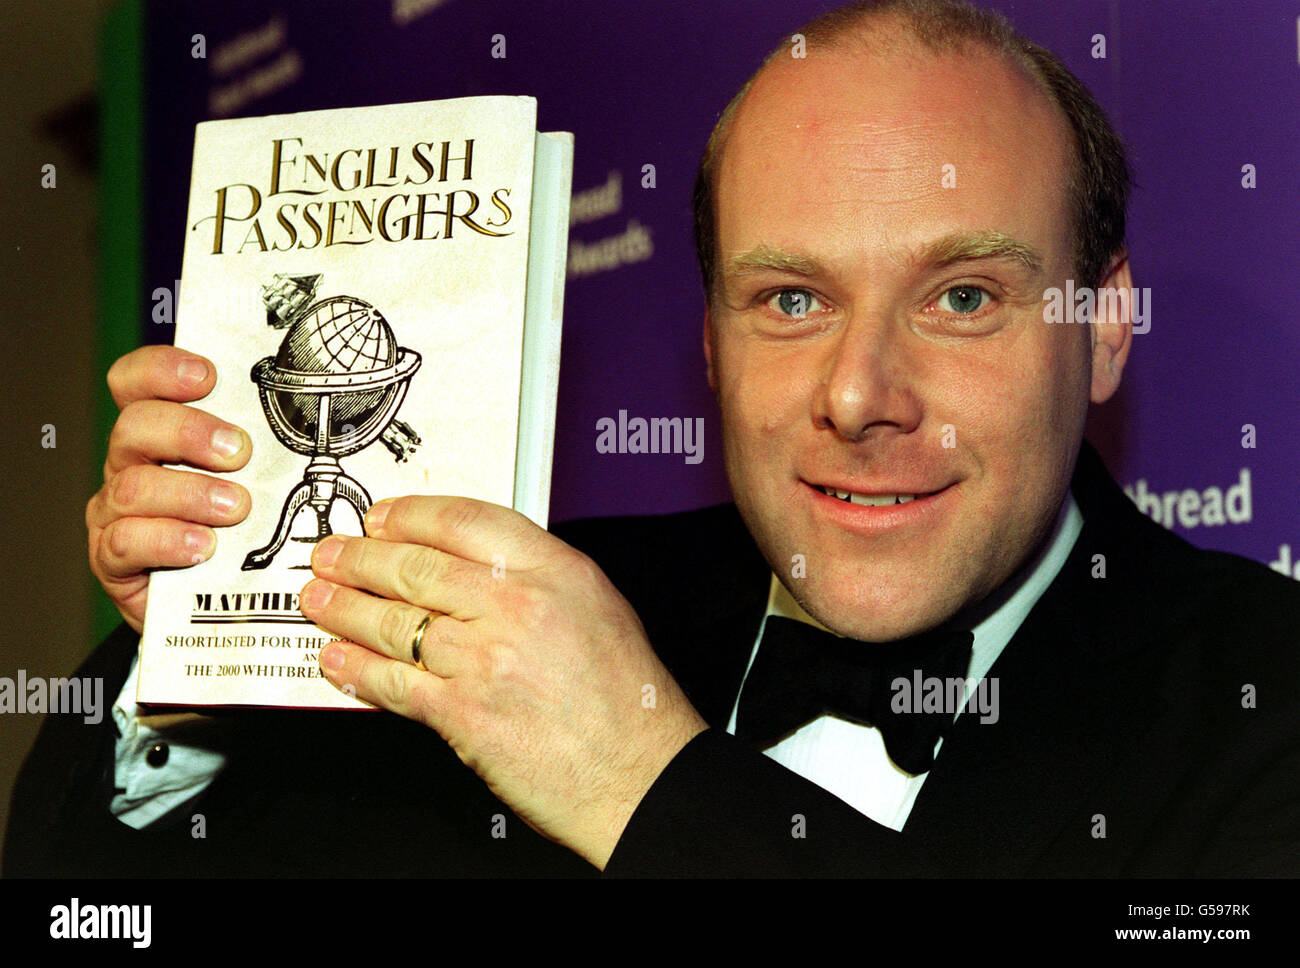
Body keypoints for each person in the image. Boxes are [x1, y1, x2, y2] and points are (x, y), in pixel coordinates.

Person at [8, 0, 1298, 877]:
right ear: (711, 341)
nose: (859, 395)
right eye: (790, 300)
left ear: (1105, 323)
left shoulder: (1267, 698)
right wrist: (191, 664)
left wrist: (639, 781)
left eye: (962, 298)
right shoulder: (541, 599)